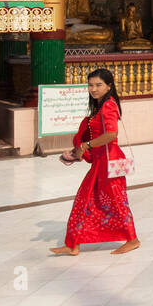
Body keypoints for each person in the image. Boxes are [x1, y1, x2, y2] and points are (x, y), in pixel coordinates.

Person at [50, 68, 140, 255]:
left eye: (99, 85)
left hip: (109, 161)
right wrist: (80, 150)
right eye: (91, 85)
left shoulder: (108, 105)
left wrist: (87, 145)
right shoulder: (101, 105)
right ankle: (73, 244)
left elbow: (111, 134)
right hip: (101, 162)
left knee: (116, 202)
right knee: (84, 201)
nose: (94, 89)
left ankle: (132, 240)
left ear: (109, 86)